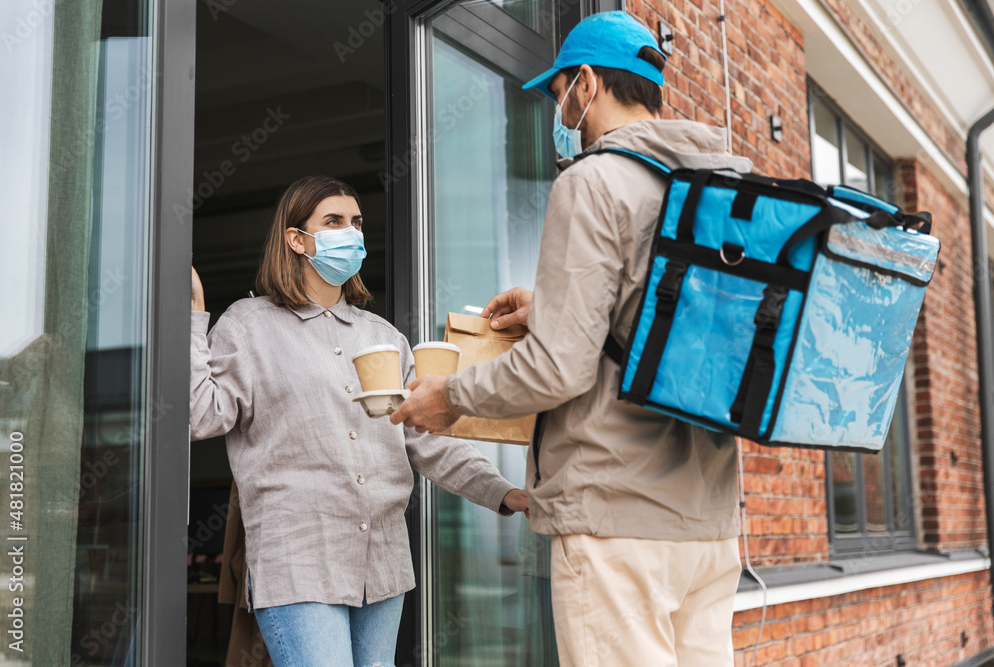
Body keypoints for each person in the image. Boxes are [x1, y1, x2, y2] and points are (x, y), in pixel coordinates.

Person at [391, 11, 749, 666]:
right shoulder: (707, 189)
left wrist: (452, 396)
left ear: (586, 83)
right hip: (710, 527)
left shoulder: (591, 180)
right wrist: (552, 306)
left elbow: (557, 369)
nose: (560, 111)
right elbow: (664, 325)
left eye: (559, 95)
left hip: (617, 522)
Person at [189, 175, 528, 667]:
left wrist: (503, 491)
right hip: (298, 561)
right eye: (333, 222)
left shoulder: (385, 336)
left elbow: (427, 441)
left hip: (383, 562)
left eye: (356, 223)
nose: (350, 232)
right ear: (296, 239)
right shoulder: (247, 325)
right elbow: (202, 415)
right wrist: (196, 319)